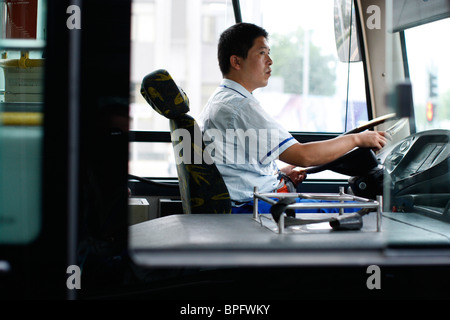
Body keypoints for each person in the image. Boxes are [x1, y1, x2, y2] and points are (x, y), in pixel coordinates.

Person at [198, 22, 388, 213]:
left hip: (251, 201)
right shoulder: (240, 107)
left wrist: (279, 173)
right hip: (251, 208)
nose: (270, 61)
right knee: (361, 210)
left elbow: (237, 165)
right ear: (236, 62)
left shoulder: (222, 100)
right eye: (262, 53)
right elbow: (305, 156)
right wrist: (357, 139)